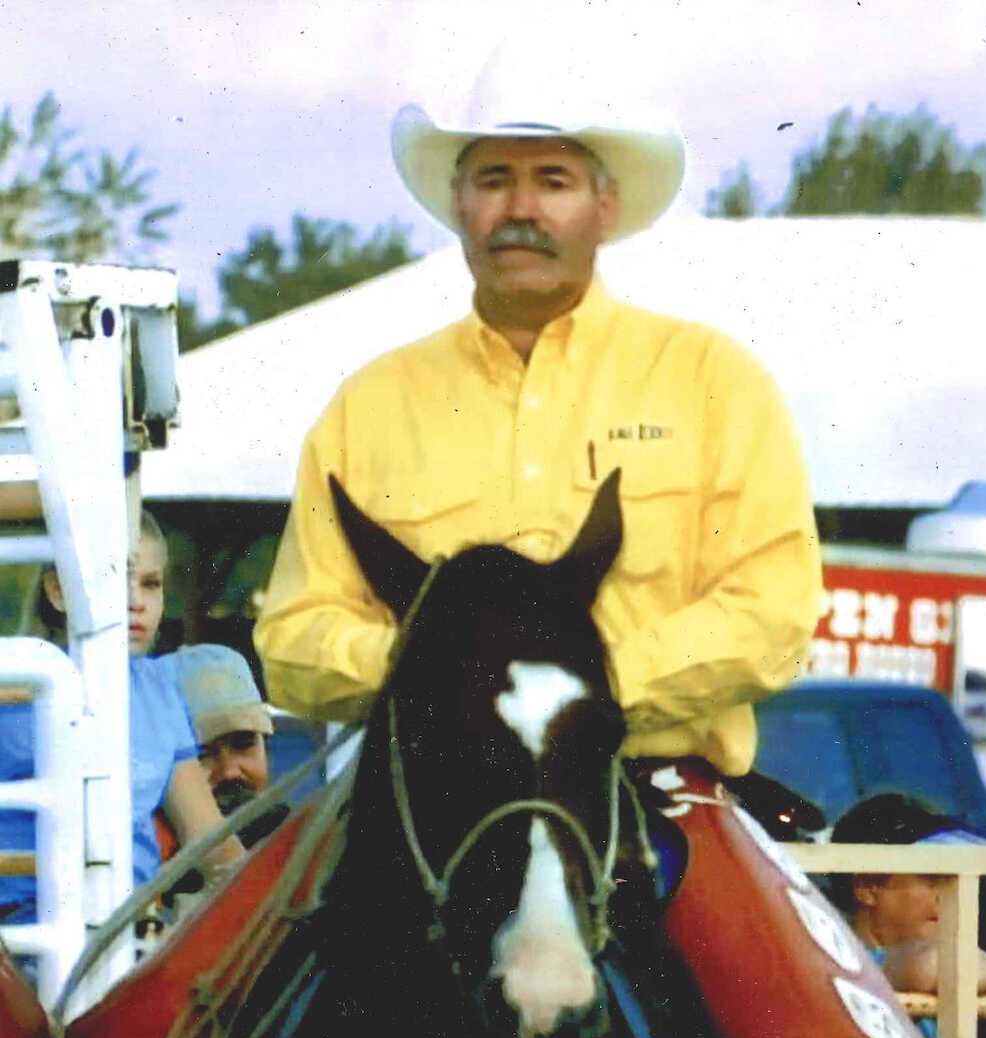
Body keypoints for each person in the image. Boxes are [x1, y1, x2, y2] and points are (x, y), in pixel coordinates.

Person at [253, 73, 822, 787]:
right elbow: (291, 635)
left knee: (755, 910)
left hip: (657, 794)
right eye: (494, 181)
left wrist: (581, 683)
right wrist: (447, 676)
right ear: (459, 204)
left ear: (605, 207)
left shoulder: (712, 381)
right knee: (261, 903)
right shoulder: (368, 405)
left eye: (554, 182)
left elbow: (773, 612)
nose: (520, 210)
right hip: (425, 800)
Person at [0, 511, 244, 930]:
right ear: (58, 591)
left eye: (151, 583)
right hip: (21, 936)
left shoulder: (158, 687)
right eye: (116, 578)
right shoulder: (16, 683)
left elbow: (214, 848)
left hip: (131, 930)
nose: (137, 600)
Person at [830, 794, 986, 1026]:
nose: (952, 897)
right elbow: (934, 963)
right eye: (933, 879)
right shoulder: (841, 960)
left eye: (956, 882)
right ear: (868, 887)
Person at [157, 644, 288, 854]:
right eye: (202, 754)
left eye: (244, 744)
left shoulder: (302, 846)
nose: (229, 771)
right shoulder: (140, 864)